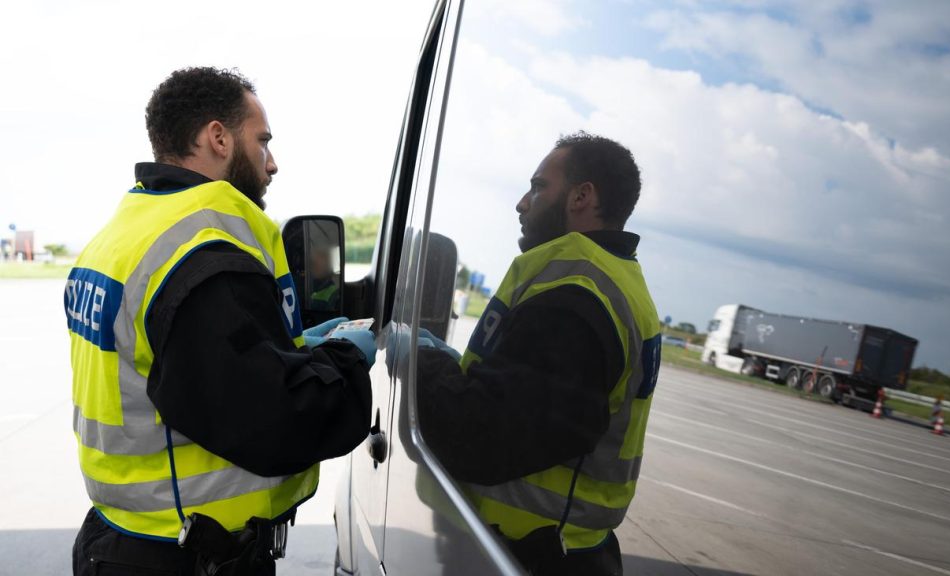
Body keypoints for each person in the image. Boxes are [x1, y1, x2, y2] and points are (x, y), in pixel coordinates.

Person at [65, 67, 374, 575]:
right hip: (184, 556)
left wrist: (298, 346)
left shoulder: (124, 233)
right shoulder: (204, 246)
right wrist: (348, 357)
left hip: (122, 537)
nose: (272, 164)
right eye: (263, 142)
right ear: (218, 138)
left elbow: (185, 368)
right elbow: (275, 419)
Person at [417, 132, 663, 575]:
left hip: (528, 552)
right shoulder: (617, 280)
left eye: (537, 187)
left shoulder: (575, 292)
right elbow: (520, 399)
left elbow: (482, 435)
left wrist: (421, 361)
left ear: (581, 196)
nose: (522, 203)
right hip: (562, 547)